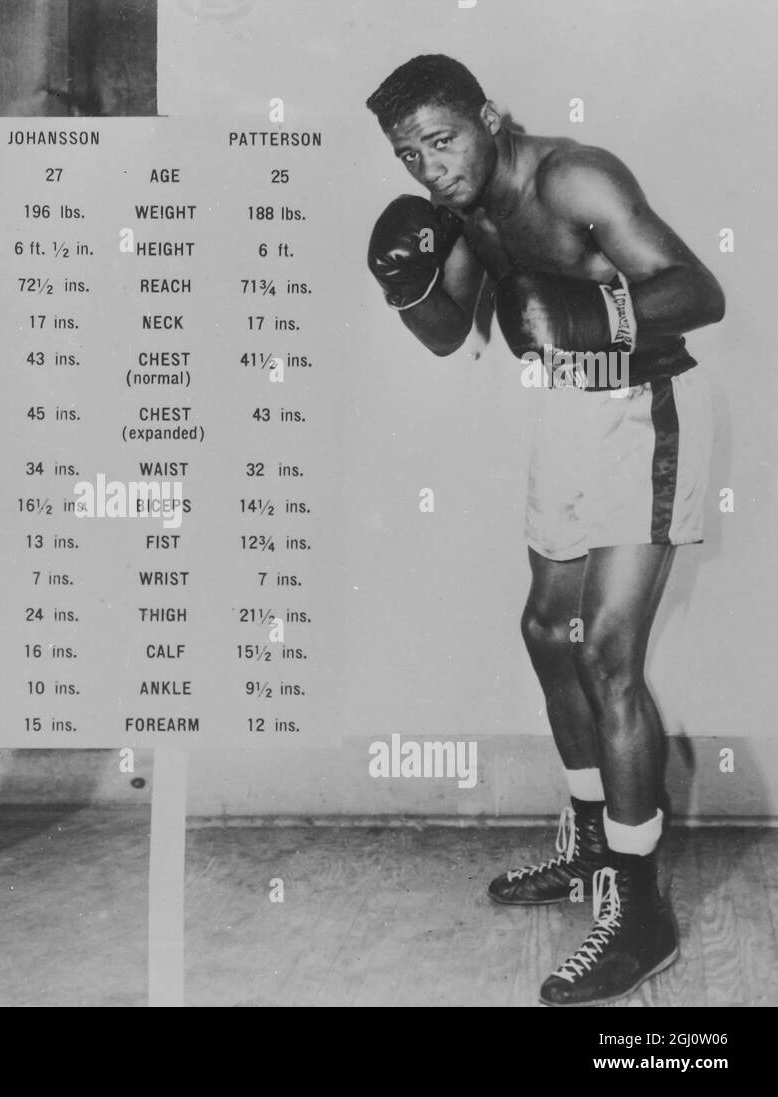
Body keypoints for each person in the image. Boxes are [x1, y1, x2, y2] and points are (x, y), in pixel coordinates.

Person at [365, 54, 724, 1006]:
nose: (431, 169)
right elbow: (449, 331)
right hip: (571, 413)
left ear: (488, 116)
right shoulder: (464, 214)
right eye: (410, 155)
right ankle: (594, 842)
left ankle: (639, 910)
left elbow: (699, 291)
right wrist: (404, 285)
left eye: (443, 141)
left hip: (651, 408)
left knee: (608, 651)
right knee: (544, 630)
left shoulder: (575, 176)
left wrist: (584, 308)